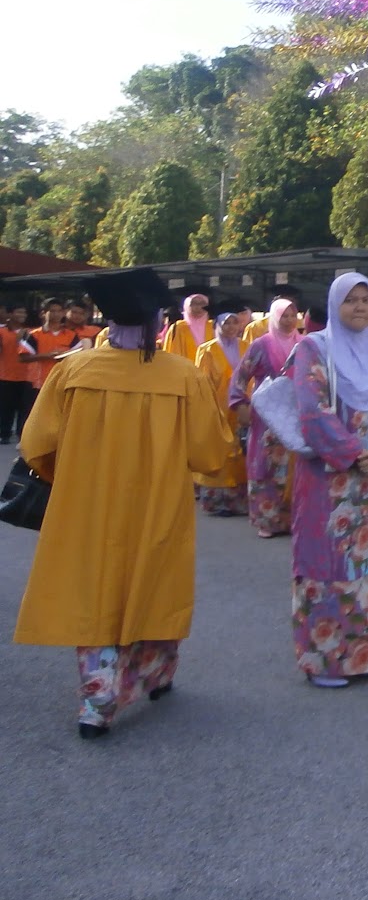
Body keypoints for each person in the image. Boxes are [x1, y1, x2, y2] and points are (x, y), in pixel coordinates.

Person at [12, 268, 232, 738]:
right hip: (159, 505)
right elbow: (209, 454)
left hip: (89, 506)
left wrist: (67, 478)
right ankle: (155, 674)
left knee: (97, 593)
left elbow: (36, 443)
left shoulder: (74, 370)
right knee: (155, 583)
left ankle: (97, 702)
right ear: (158, 321)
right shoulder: (184, 376)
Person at [288, 273, 368, 688]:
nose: (360, 307)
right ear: (334, 305)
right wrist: (355, 455)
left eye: (366, 299)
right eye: (350, 300)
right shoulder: (313, 348)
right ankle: (327, 661)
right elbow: (311, 410)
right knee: (328, 562)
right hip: (330, 478)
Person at [229, 297, 302, 538]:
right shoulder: (261, 345)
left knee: (294, 465)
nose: (289, 321)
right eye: (284, 316)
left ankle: (292, 519)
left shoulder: (304, 344)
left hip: (295, 416)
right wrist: (240, 403)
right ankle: (266, 520)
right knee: (265, 465)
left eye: (292, 315)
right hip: (266, 417)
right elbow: (241, 376)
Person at [194, 310, 251, 516]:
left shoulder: (246, 347)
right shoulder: (207, 350)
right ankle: (218, 501)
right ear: (216, 326)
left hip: (241, 407)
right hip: (217, 407)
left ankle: (239, 501)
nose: (231, 327)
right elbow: (201, 381)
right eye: (226, 323)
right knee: (220, 452)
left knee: (241, 452)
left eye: (235, 323)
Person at [19, 299, 77, 397]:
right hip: (38, 384)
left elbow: (78, 354)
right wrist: (47, 356)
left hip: (62, 382)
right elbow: (23, 358)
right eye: (52, 311)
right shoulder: (34, 334)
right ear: (43, 313)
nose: (56, 314)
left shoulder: (71, 335)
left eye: (59, 311)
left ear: (63, 313)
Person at [0, 304, 30, 444]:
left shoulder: (30, 332)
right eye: (18, 312)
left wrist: (22, 340)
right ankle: (4, 434)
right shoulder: (2, 332)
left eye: (24, 312)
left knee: (25, 408)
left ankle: (21, 435)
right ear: (10, 314)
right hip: (6, 375)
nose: (22, 315)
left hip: (27, 376)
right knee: (6, 407)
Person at [161, 294, 213, 362]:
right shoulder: (178, 327)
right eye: (194, 304)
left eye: (202, 304)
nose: (199, 307)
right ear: (186, 306)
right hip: (185, 367)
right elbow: (171, 351)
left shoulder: (213, 326)